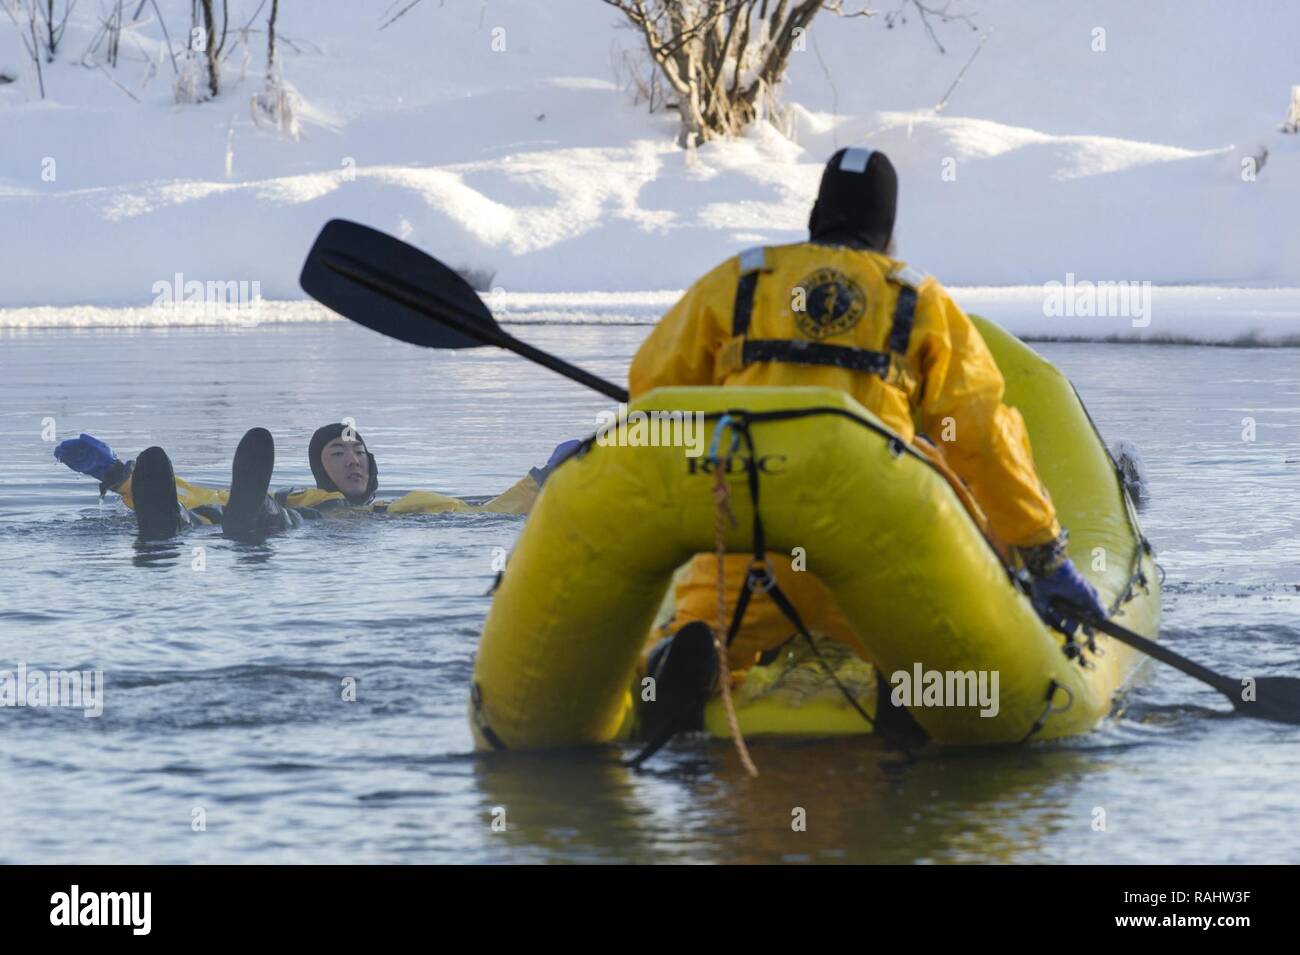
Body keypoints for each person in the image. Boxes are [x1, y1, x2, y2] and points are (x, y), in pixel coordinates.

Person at [628, 146, 1108, 740]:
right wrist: (1042, 552)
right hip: (874, 547)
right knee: (921, 641)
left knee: (696, 634)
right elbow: (981, 436)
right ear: (888, 229)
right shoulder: (918, 300)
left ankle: (689, 656)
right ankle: (906, 686)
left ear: (815, 212)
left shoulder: (740, 281)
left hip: (755, 541)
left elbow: (654, 394)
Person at [54, 423, 576, 539]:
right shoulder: (300, 494)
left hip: (276, 522)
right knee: (212, 510)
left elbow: (484, 516)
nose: (353, 460)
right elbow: (205, 490)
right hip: (268, 515)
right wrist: (121, 474)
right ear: (317, 466)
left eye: (359, 452)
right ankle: (167, 520)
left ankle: (225, 520)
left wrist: (543, 478)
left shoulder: (403, 505)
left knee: (256, 514)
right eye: (337, 452)